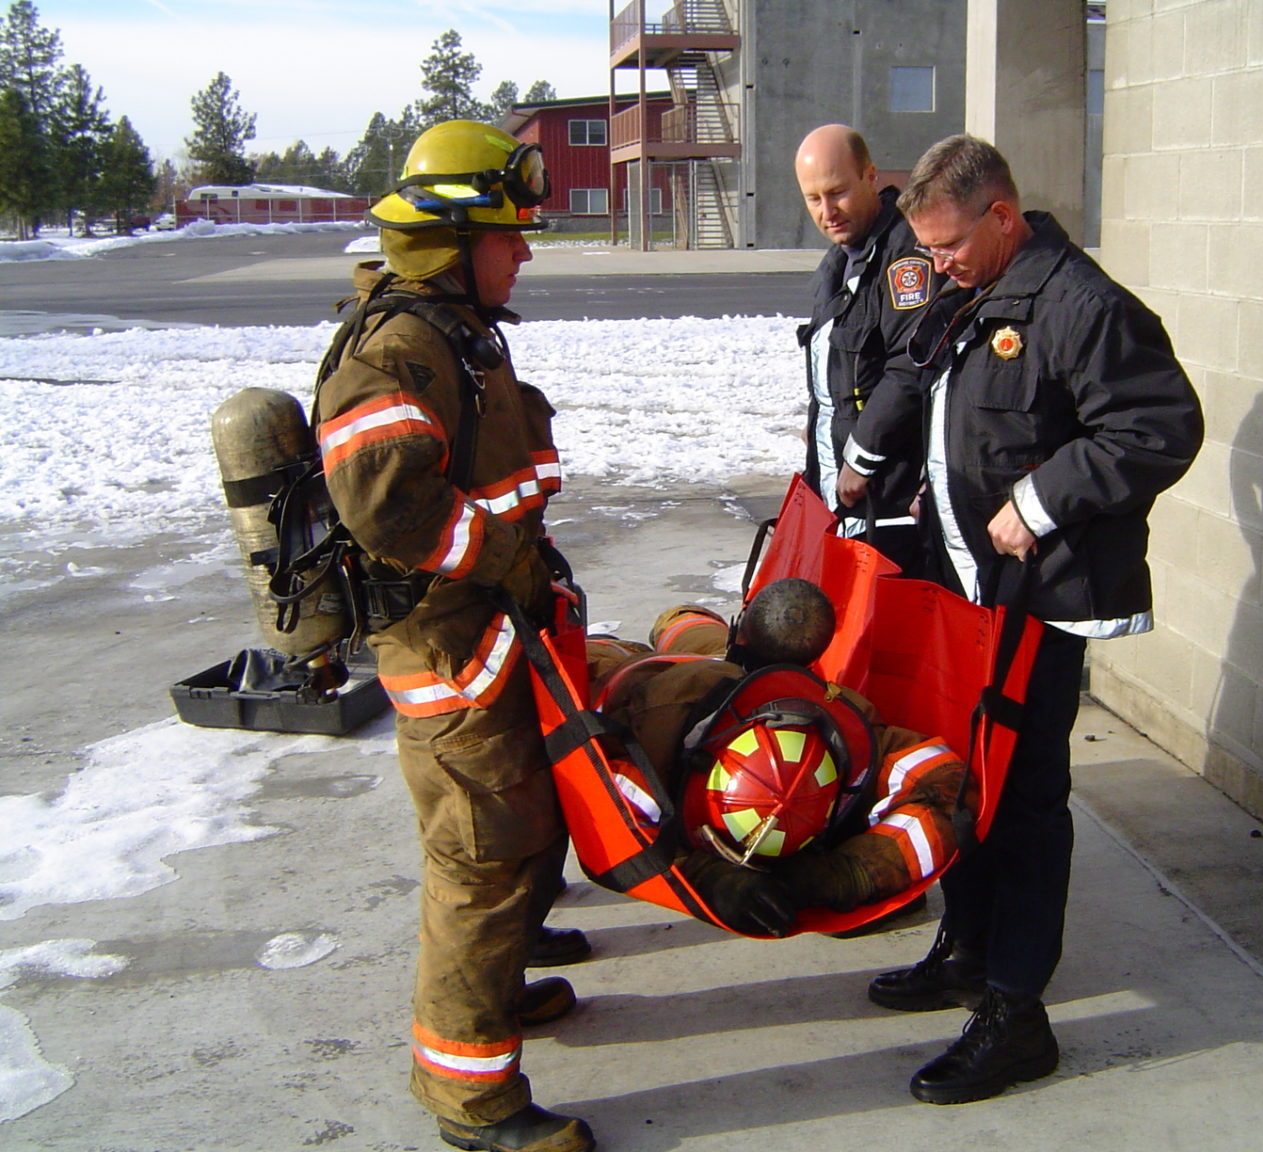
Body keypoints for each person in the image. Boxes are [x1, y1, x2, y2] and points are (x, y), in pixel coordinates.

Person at [869, 135, 1204, 1106]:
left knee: (1023, 802)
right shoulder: (981, 293)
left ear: (1003, 216)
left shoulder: (1079, 306)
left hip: (1038, 602)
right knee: (962, 782)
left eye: (948, 247)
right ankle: (968, 949)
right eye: (927, 252)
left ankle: (1017, 1012)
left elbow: (1158, 424)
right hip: (969, 596)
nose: (936, 266)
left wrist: (1044, 500)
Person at [314, 120, 594, 1152]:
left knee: (521, 836)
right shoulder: (400, 348)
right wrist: (503, 557)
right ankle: (469, 1101)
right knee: (480, 858)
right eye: (506, 234)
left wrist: (526, 567)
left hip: (490, 639)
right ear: (451, 238)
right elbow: (386, 503)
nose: (522, 251)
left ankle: (500, 990)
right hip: (447, 657)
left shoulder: (458, 331)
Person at [585, 579, 969, 936]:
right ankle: (686, 620)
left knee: (632, 644)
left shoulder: (648, 726)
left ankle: (681, 621)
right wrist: (853, 874)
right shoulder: (852, 724)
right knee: (689, 631)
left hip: (650, 671)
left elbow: (614, 824)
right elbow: (952, 790)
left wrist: (708, 875)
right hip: (685, 678)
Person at [794, 124, 937, 576]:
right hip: (843, 500)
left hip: (889, 503)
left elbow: (909, 366)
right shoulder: (837, 264)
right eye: (813, 199)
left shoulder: (905, 258)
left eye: (837, 192)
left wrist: (860, 455)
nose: (827, 211)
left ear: (870, 176)